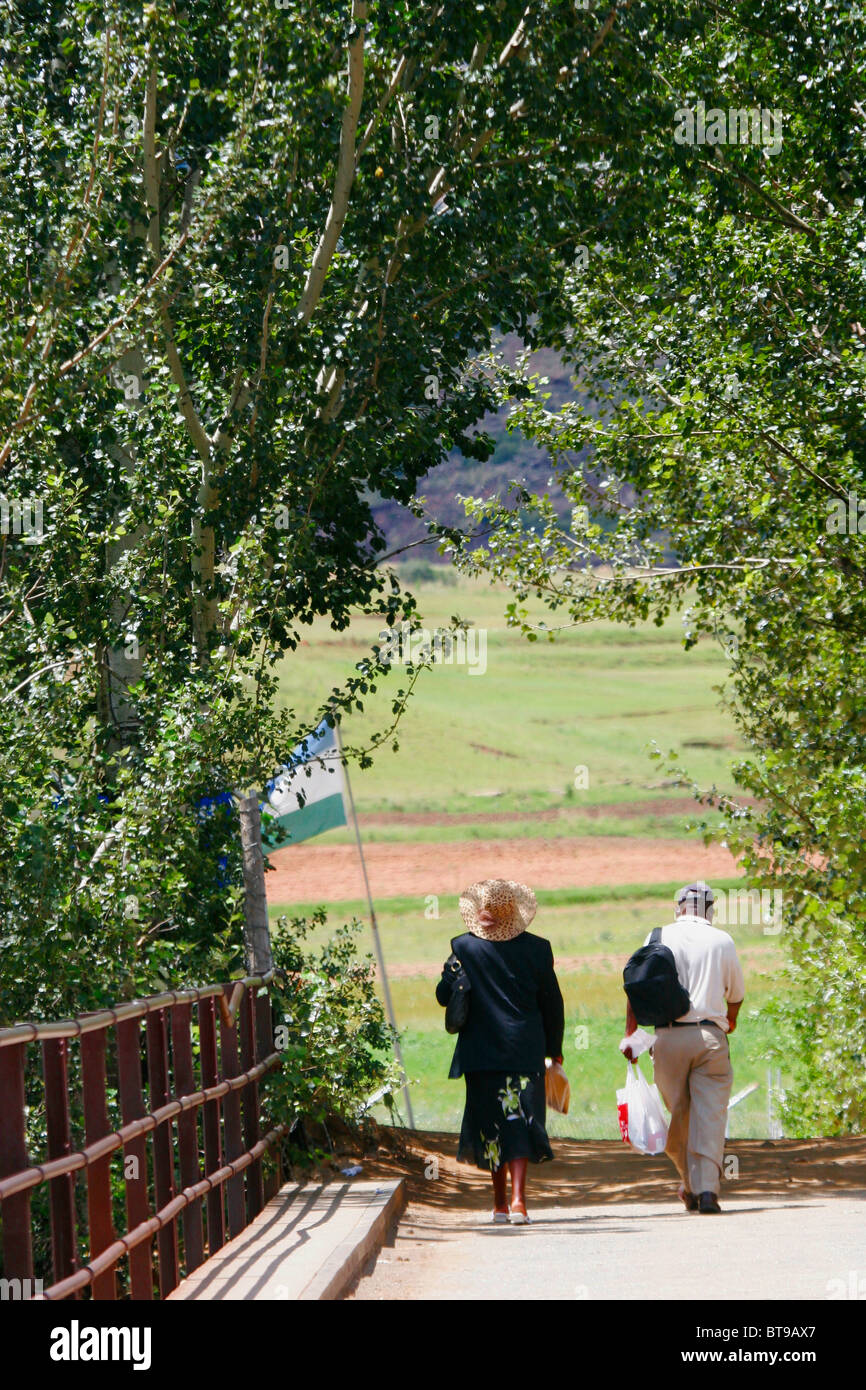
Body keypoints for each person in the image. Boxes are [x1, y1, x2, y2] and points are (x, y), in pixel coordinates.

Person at [436, 878, 564, 1225]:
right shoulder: (538, 949)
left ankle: (498, 1204)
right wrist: (555, 1051)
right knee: (520, 1120)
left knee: (491, 1124)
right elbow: (552, 1003)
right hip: (525, 1050)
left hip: (481, 1053)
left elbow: (444, 996)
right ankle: (520, 1201)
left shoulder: (463, 948)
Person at [623, 881, 745, 1214]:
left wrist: (631, 1034)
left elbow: (636, 986)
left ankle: (691, 1186)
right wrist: (729, 1022)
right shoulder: (722, 940)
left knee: (680, 1117)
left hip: (667, 1039)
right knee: (710, 1115)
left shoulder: (657, 936)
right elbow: (735, 995)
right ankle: (706, 1190)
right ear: (710, 909)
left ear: (678, 907)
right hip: (710, 1038)